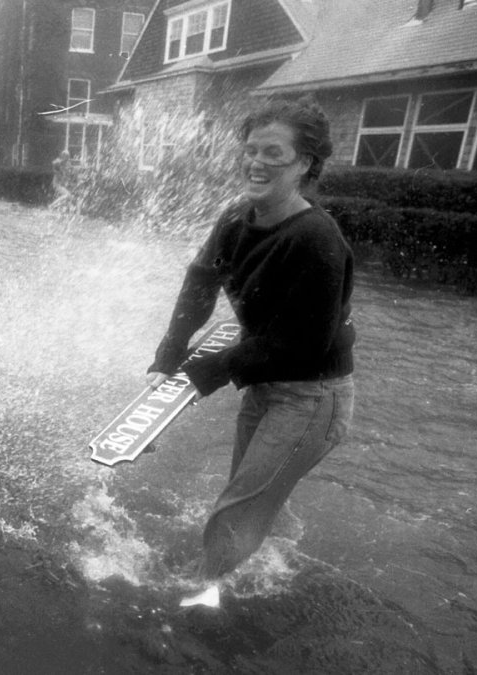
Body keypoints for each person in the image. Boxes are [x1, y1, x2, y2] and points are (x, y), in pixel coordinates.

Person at [145, 97, 356, 609]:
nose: (256, 162)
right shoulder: (237, 216)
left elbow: (301, 343)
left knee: (233, 512)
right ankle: (271, 581)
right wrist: (168, 356)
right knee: (255, 498)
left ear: (305, 163)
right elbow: (201, 283)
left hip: (311, 397)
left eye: (273, 153)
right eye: (250, 150)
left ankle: (200, 604)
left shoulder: (316, 239)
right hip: (265, 384)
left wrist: (202, 374)